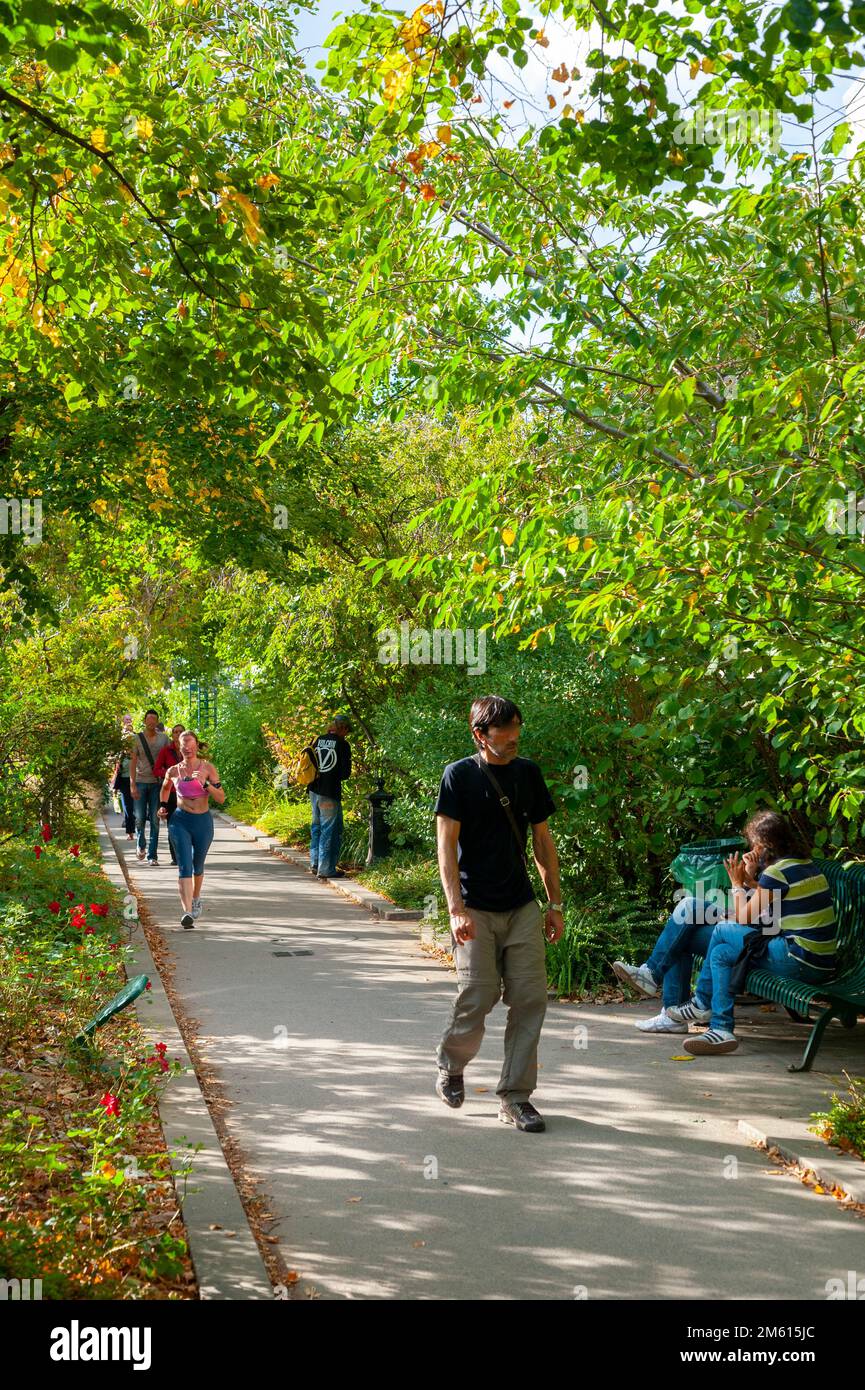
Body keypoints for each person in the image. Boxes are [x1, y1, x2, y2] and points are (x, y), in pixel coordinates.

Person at [434, 695, 564, 1133]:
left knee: (531, 1000)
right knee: (479, 995)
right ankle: (452, 1066)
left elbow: (543, 844)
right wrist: (454, 909)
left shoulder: (528, 774)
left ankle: (515, 1097)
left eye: (516, 731)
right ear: (480, 734)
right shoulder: (458, 776)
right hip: (474, 907)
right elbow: (446, 847)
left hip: (521, 905)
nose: (513, 740)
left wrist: (555, 904)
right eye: (503, 734)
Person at [614, 810, 837, 1056]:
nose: (752, 849)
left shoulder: (777, 873)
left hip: (797, 958)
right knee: (711, 943)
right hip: (810, 956)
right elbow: (769, 908)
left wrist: (736, 882)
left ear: (765, 845)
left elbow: (746, 917)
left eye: (754, 844)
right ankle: (719, 1028)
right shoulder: (803, 866)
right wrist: (750, 879)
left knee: (717, 929)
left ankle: (696, 1001)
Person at [159, 730, 225, 929]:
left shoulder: (208, 768)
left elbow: (221, 797)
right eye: (183, 744)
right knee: (184, 865)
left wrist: (205, 784)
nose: (187, 747)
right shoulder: (173, 771)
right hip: (180, 820)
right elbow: (164, 788)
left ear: (196, 745)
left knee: (198, 864)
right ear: (179, 748)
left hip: (202, 822)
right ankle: (187, 912)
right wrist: (162, 806)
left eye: (190, 743)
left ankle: (196, 897)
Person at [306, 714, 352, 880]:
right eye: (347, 731)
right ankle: (326, 869)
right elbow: (345, 774)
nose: (347, 734)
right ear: (343, 728)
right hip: (329, 792)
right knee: (329, 829)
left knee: (316, 827)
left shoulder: (317, 740)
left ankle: (315, 863)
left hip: (313, 790)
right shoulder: (343, 744)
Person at [129, 710, 170, 865]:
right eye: (149, 718)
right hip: (140, 781)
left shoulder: (163, 738)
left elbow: (168, 759)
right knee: (139, 818)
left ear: (158, 721)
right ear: (145, 721)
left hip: (157, 783)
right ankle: (141, 844)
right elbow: (133, 761)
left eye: (154, 718)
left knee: (155, 819)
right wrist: (132, 784)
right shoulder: (136, 738)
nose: (151, 721)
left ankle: (152, 855)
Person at [154, 724, 185, 866]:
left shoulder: (190, 751)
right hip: (170, 793)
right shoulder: (166, 751)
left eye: (181, 732)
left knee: (186, 825)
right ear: (172, 735)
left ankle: (184, 854)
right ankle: (175, 857)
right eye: (175, 732)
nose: (178, 734)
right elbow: (156, 769)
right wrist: (168, 775)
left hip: (186, 794)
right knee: (172, 826)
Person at [110, 724, 137, 840]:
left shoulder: (138, 754)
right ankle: (130, 832)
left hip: (137, 781)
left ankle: (138, 828)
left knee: (137, 808)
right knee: (128, 808)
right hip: (125, 783)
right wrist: (115, 787)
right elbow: (117, 771)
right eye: (126, 742)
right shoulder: (121, 755)